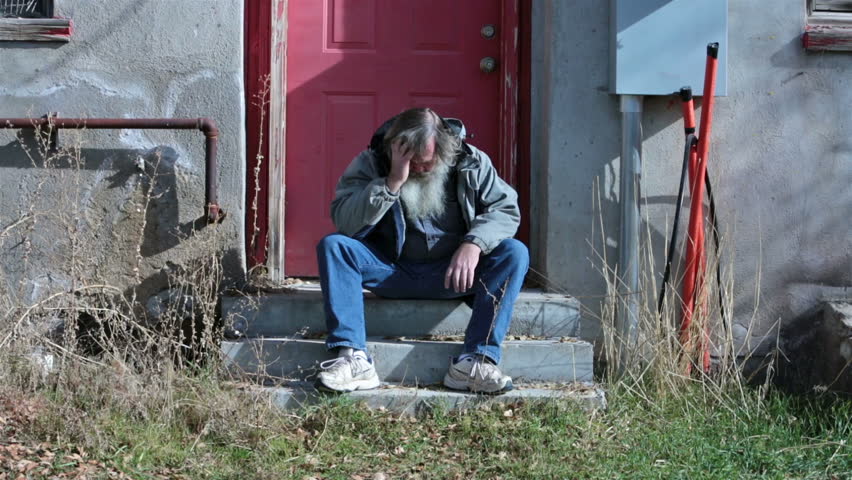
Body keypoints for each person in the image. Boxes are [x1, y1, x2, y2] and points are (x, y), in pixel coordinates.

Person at [315, 107, 528, 394]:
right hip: (391, 271)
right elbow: (344, 220)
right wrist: (392, 182)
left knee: (514, 252)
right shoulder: (371, 162)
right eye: (409, 161)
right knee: (334, 247)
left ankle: (476, 361)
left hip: (453, 274)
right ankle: (352, 358)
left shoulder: (471, 162)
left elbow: (506, 209)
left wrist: (474, 243)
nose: (417, 168)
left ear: (443, 151)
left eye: (425, 162)